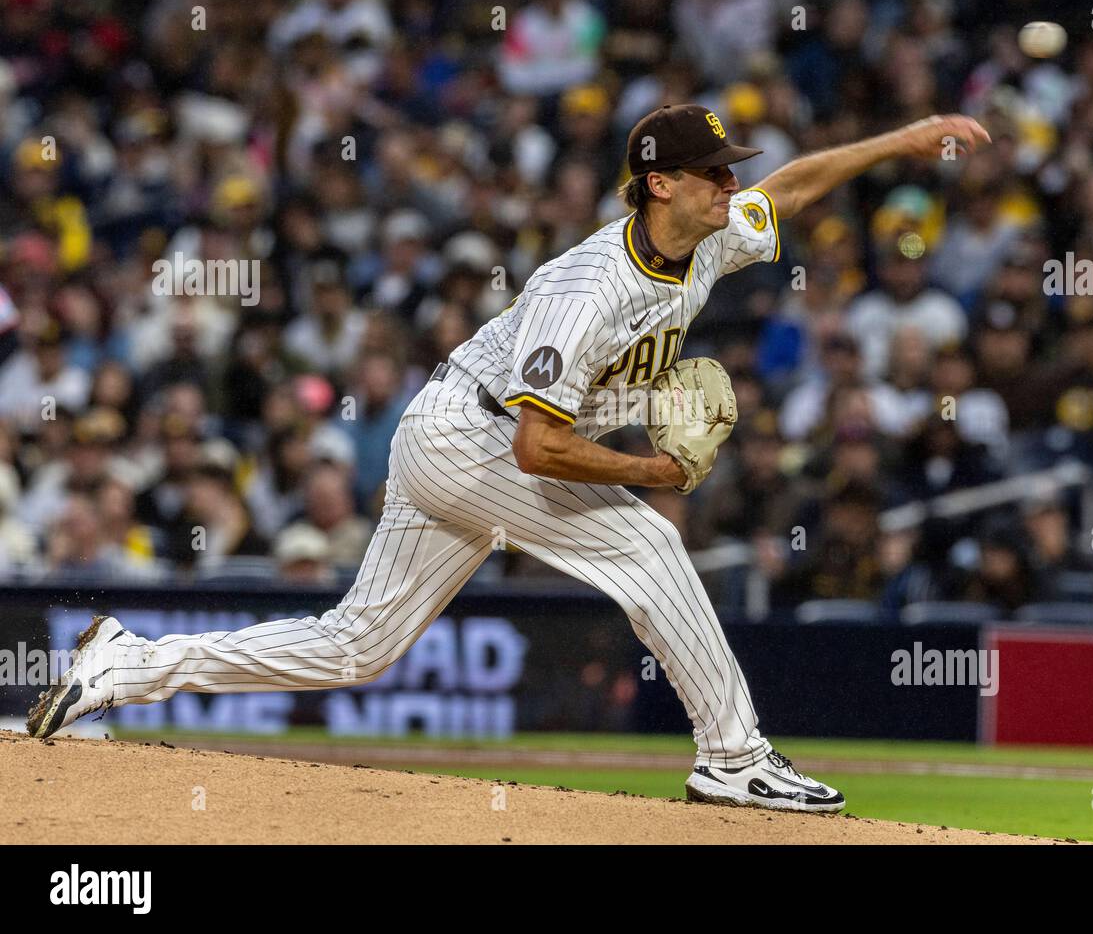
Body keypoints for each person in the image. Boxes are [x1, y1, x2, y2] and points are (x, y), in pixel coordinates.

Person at [28, 104, 989, 814]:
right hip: (473, 436)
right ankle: (732, 755)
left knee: (357, 644)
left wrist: (899, 142)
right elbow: (538, 446)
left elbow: (792, 188)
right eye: (713, 174)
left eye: (729, 172)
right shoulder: (589, 287)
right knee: (648, 549)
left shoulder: (703, 242)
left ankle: (127, 665)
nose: (732, 186)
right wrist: (653, 474)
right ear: (661, 183)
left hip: (450, 432)